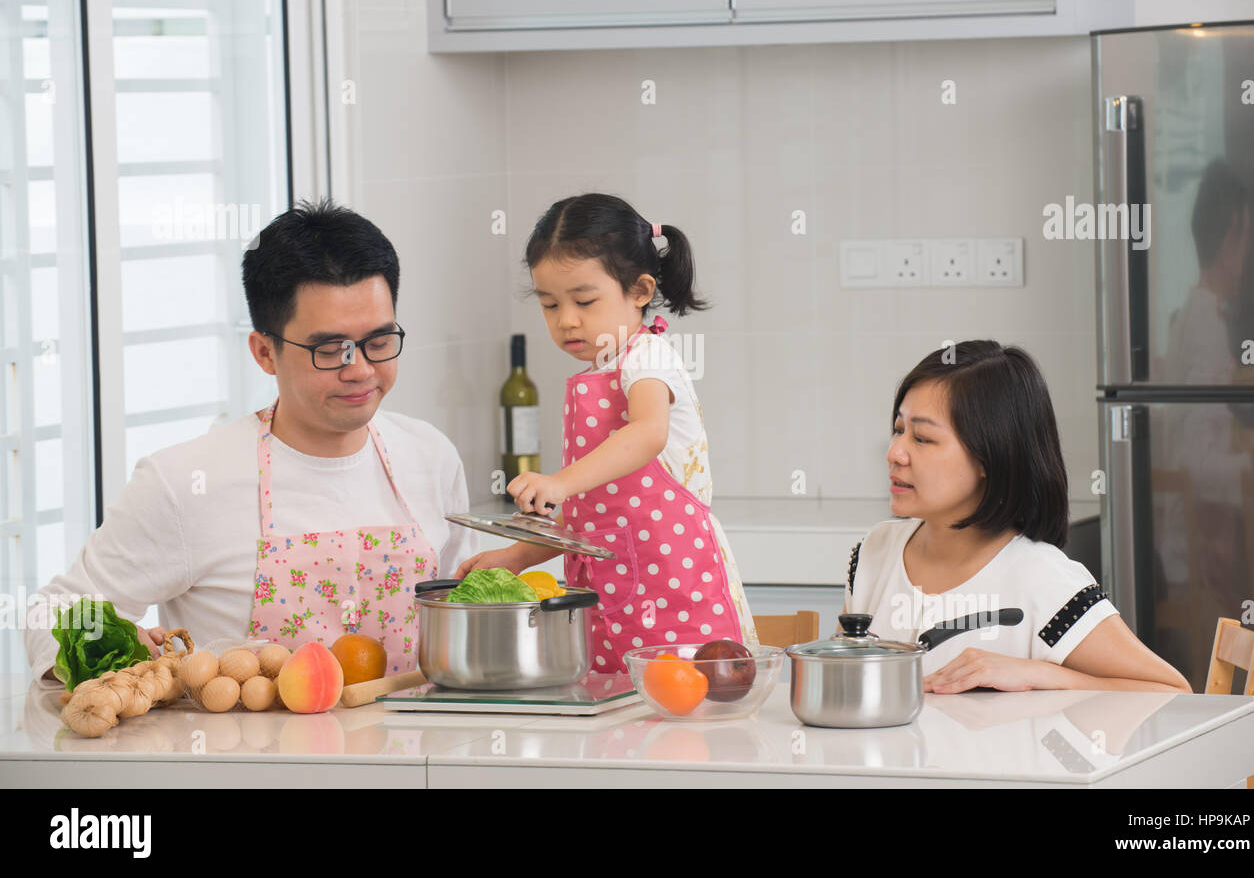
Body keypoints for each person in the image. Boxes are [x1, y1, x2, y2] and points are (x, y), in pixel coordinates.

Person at [25, 199, 473, 683]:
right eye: (330, 350)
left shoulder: (430, 456)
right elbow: (47, 617)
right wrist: (123, 645)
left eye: (379, 342)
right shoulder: (185, 483)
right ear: (265, 352)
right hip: (254, 760)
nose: (360, 369)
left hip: (417, 755)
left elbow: (465, 613)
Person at [456, 193, 758, 670]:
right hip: (611, 600)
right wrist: (517, 557)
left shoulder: (647, 358)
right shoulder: (595, 372)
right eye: (550, 304)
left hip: (673, 586)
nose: (566, 320)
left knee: (690, 713)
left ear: (639, 291)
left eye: (584, 300)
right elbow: (585, 517)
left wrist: (557, 482)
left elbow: (648, 434)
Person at [844, 340, 1191, 693]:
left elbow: (1171, 693)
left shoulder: (1041, 579)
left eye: (923, 438)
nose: (895, 453)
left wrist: (1038, 674)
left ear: (989, 457)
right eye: (898, 429)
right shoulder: (875, 551)